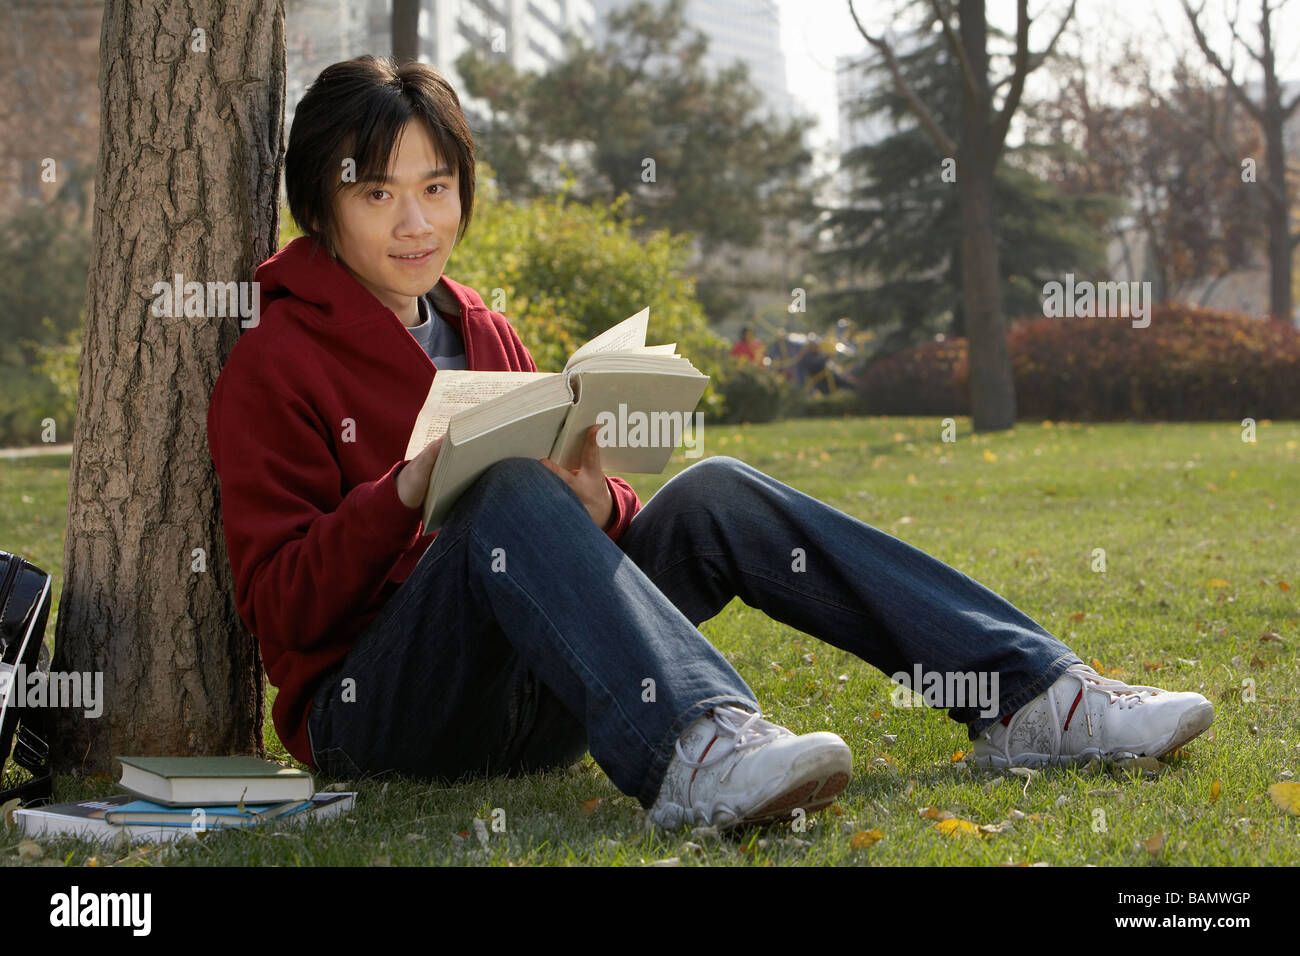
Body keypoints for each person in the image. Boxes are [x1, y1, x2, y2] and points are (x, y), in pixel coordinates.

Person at [206, 56, 1215, 832]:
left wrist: (600, 507)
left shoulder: (477, 324)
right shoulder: (275, 353)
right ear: (323, 203)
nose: (416, 220)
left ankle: (1035, 697)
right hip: (379, 718)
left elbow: (570, 557)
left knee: (717, 491)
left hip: (530, 694)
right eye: (377, 192)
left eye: (436, 186)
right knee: (504, 493)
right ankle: (696, 751)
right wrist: (407, 489)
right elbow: (279, 605)